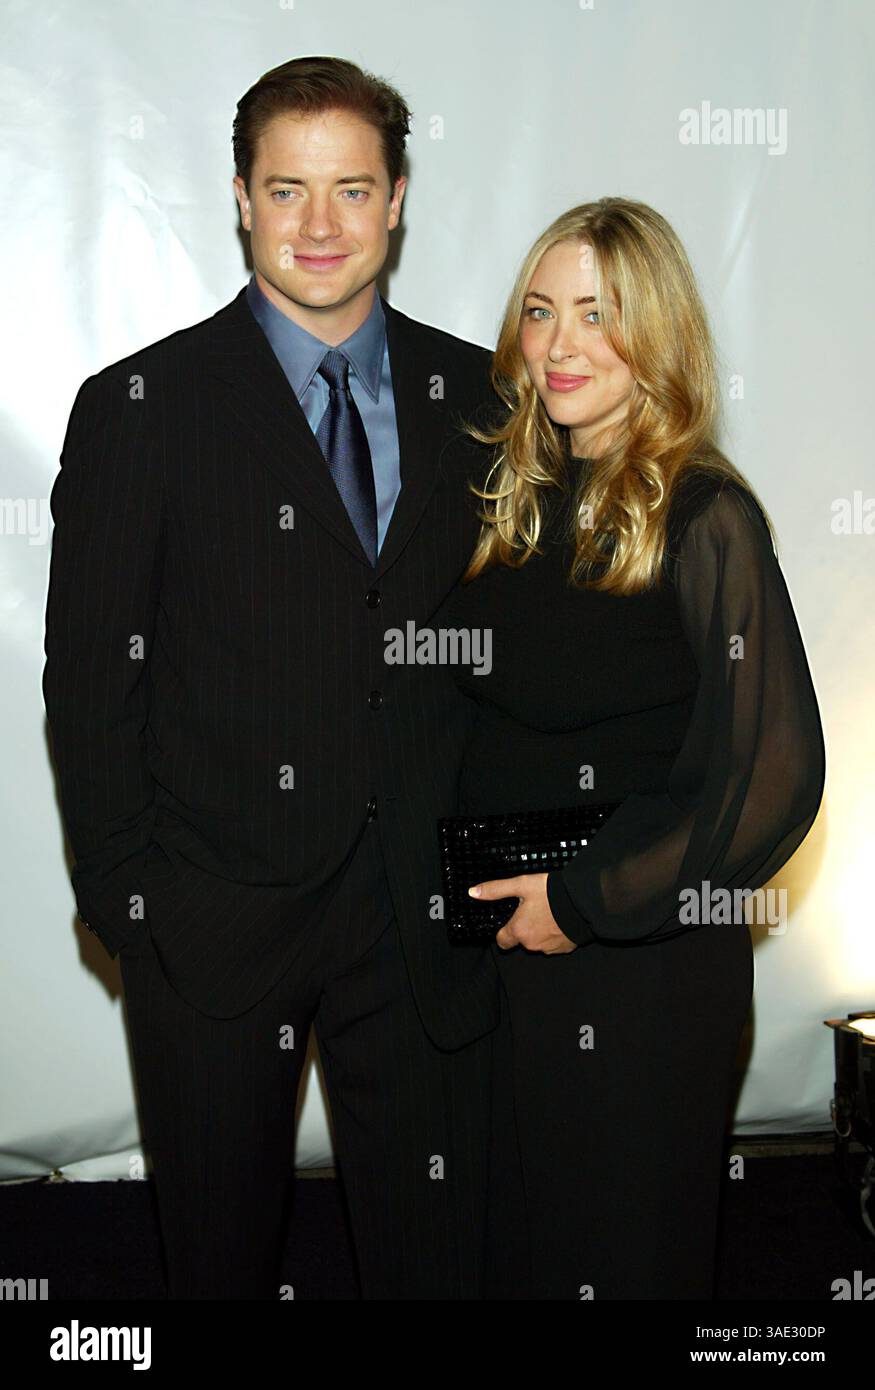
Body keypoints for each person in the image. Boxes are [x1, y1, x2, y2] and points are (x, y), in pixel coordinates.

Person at [42, 56, 527, 1300]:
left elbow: (527, 658)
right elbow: (91, 682)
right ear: (243, 200)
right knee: (217, 1269)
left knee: (440, 1266)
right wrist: (129, 906)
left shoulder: (484, 399)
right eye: (289, 189)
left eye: (352, 189)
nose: (320, 225)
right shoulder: (140, 405)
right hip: (211, 928)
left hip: (426, 925)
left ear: (399, 199)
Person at [438, 197, 826, 1299]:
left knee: (621, 1256)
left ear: (653, 334)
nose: (558, 347)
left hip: (639, 974)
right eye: (538, 313)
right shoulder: (509, 503)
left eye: (595, 316)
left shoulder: (703, 516)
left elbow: (776, 780)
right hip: (507, 970)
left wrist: (588, 898)